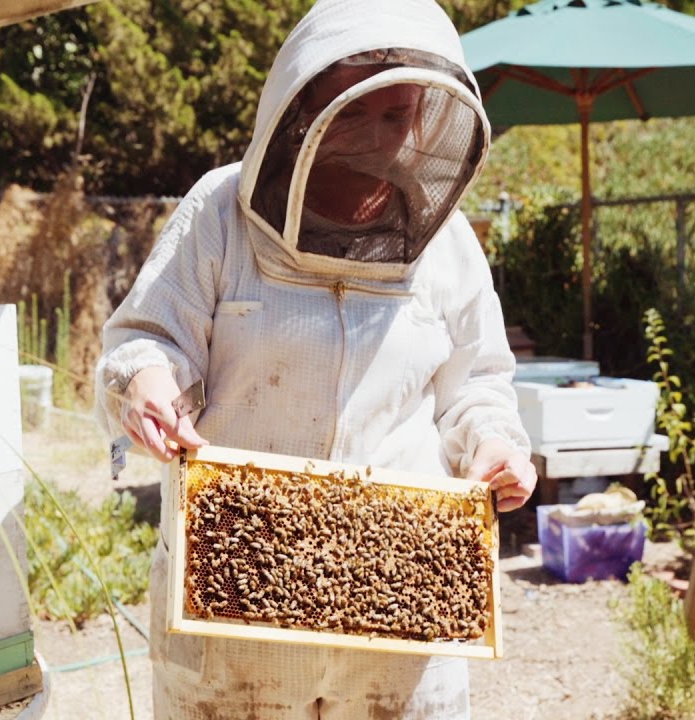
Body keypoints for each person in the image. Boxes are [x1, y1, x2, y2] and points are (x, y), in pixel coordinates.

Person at [94, 0, 536, 716]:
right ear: (303, 105)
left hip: (398, 605)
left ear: (427, 118)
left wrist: (493, 444)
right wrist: (146, 381)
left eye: (397, 115)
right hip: (234, 607)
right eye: (356, 110)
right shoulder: (220, 211)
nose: (377, 135)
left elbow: (477, 384)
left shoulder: (447, 241)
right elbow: (147, 338)